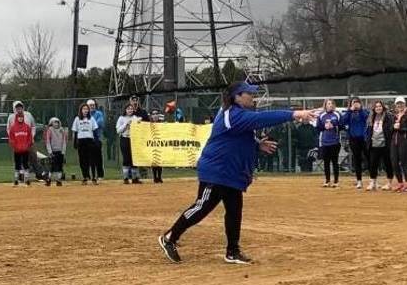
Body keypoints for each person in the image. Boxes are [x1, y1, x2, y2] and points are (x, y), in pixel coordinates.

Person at [158, 81, 318, 265]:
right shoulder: (232, 115)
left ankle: (232, 251)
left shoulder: (237, 114)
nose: (252, 96)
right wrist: (295, 114)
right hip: (217, 171)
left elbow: (239, 136)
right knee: (202, 207)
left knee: (234, 211)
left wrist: (257, 145)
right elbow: (262, 119)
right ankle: (169, 237)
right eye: (248, 93)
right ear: (237, 97)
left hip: (231, 172)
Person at [364, 101, 393, 192]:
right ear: (374, 108)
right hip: (374, 144)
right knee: (373, 164)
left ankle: (389, 183)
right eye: (376, 107)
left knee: (387, 164)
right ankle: (373, 182)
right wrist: (368, 140)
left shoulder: (388, 117)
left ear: (383, 107)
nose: (378, 108)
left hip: (385, 144)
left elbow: (390, 129)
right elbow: (368, 130)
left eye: (380, 106)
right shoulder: (371, 117)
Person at [389, 97, 407, 192]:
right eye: (398, 104)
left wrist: (399, 128)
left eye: (401, 103)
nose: (399, 105)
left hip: (404, 142)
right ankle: (400, 183)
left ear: (404, 104)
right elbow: (390, 130)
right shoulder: (394, 116)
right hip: (394, 142)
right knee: (394, 163)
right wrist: (393, 127)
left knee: (404, 163)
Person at [315, 99, 342, 188]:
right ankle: (327, 180)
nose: (330, 105)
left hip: (335, 142)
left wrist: (334, 125)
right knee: (326, 162)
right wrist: (324, 126)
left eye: (331, 104)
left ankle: (336, 181)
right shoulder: (322, 115)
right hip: (325, 142)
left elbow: (342, 125)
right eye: (328, 104)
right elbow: (318, 127)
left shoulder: (337, 114)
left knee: (335, 162)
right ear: (325, 105)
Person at [343, 97, 369, 189]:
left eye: (357, 102)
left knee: (369, 158)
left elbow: (366, 118)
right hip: (353, 139)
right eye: (354, 103)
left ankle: (373, 180)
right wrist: (350, 110)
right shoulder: (349, 113)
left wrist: (360, 109)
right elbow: (343, 121)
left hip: (364, 138)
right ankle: (359, 181)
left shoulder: (364, 111)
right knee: (356, 159)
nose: (356, 104)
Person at [71, 103, 100, 184]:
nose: (85, 110)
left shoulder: (91, 119)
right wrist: (75, 143)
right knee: (83, 160)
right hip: (81, 141)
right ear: (81, 110)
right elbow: (75, 131)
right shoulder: (77, 119)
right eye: (84, 109)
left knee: (92, 160)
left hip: (90, 140)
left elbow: (95, 130)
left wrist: (96, 141)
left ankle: (94, 177)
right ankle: (85, 177)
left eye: (87, 109)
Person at [116, 103, 142, 184]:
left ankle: (135, 178)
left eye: (131, 109)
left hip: (134, 139)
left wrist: (139, 121)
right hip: (124, 139)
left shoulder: (135, 118)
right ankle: (126, 178)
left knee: (134, 159)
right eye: (128, 109)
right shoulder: (121, 118)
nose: (130, 110)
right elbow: (118, 130)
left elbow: (140, 126)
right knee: (126, 158)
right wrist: (126, 124)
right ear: (125, 110)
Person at [8, 110, 34, 186]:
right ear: (16, 118)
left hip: (25, 149)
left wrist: (27, 145)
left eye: (22, 117)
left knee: (26, 164)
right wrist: (15, 146)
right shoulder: (13, 128)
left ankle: (27, 179)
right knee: (17, 164)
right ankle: (16, 179)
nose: (20, 119)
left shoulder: (27, 127)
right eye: (19, 117)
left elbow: (30, 138)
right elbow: (11, 139)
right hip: (17, 150)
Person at [43, 117, 67, 186]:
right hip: (53, 151)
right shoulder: (50, 130)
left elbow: (64, 141)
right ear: (51, 123)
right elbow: (48, 141)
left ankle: (58, 180)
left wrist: (63, 151)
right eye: (54, 122)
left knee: (59, 166)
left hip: (60, 151)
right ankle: (48, 180)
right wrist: (50, 151)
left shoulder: (62, 130)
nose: (56, 124)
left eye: (57, 122)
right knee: (52, 166)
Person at [87, 99, 107, 179]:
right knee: (89, 158)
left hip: (97, 138)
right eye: (90, 105)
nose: (92, 106)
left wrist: (89, 125)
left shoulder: (99, 113)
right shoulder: (85, 114)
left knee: (98, 157)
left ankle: (100, 175)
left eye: (93, 105)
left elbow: (100, 123)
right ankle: (90, 176)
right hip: (87, 139)